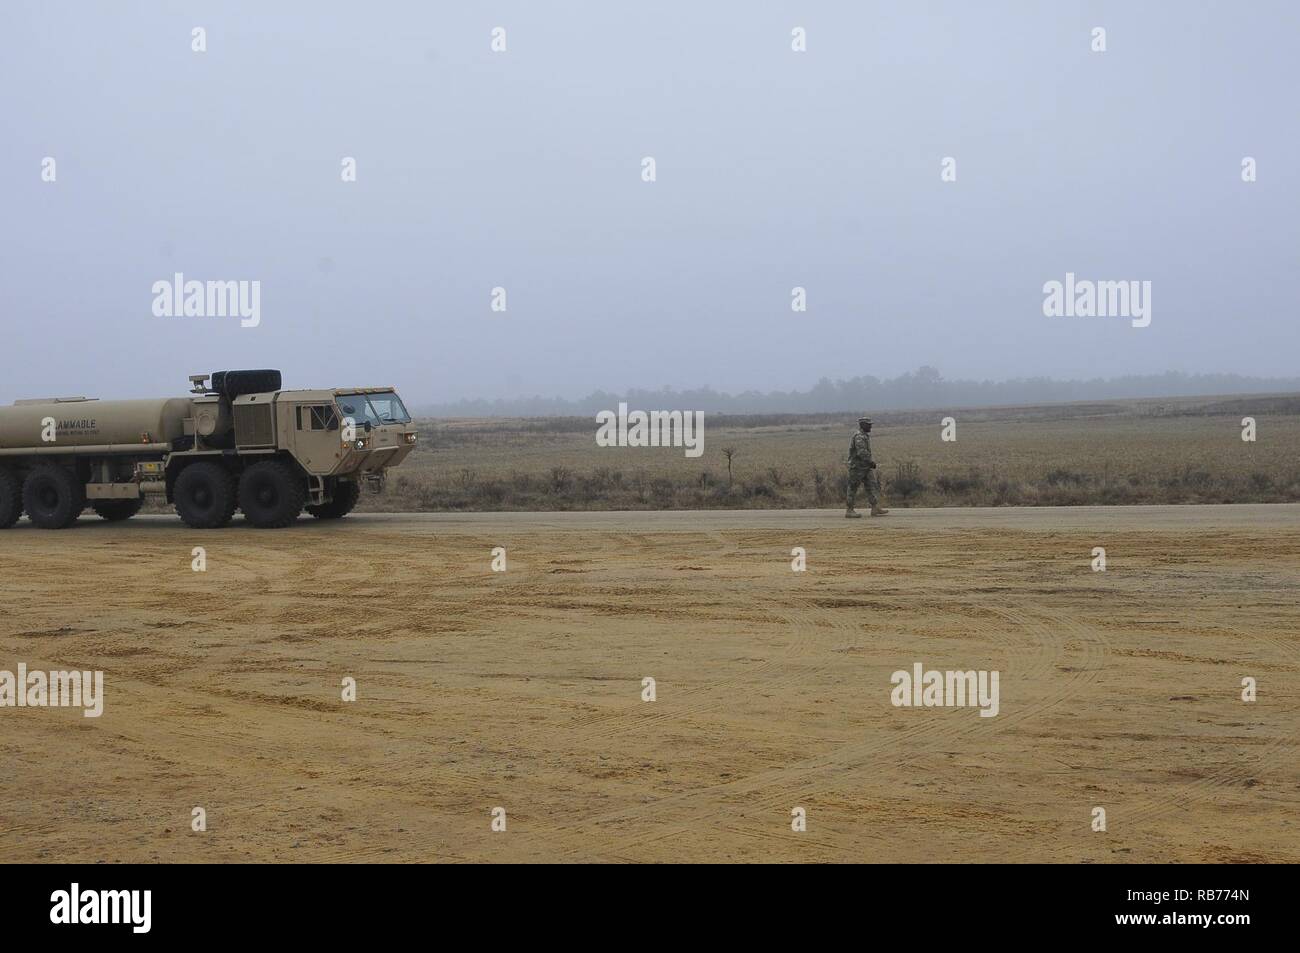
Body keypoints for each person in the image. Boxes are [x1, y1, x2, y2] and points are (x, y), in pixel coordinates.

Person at [846, 416, 888, 518]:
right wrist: (870, 462)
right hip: (857, 467)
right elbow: (862, 453)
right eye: (868, 425)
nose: (870, 427)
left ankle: (875, 508)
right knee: (853, 488)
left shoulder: (864, 436)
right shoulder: (859, 436)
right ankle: (849, 510)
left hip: (865, 467)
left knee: (871, 486)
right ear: (863, 425)